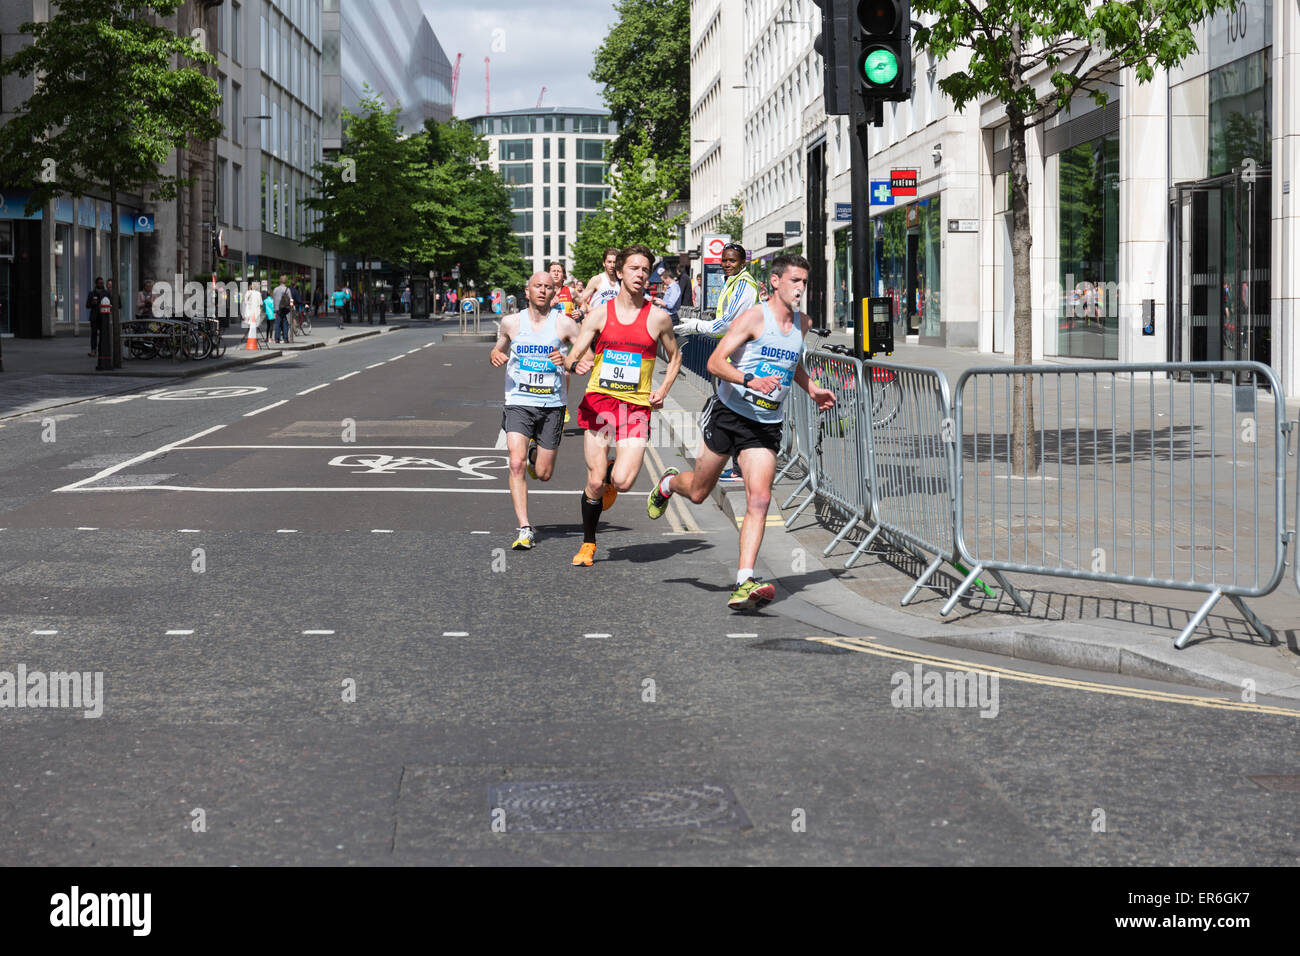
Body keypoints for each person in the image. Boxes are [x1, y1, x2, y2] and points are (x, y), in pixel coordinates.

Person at [647, 253, 835, 609]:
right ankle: (669, 483)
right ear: (776, 282)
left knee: (760, 498)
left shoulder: (803, 324)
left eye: (805, 283)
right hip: (729, 414)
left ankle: (744, 580)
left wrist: (811, 388)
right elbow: (715, 362)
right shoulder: (754, 317)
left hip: (765, 425)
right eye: (795, 281)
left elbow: (790, 362)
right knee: (700, 492)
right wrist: (749, 378)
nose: (800, 288)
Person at [560, 244, 682, 567]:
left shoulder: (658, 318)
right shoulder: (600, 314)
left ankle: (615, 471)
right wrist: (574, 365)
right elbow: (574, 354)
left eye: (645, 269)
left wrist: (665, 389)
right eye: (634, 268)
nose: (641, 274)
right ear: (620, 271)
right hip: (599, 403)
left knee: (624, 482)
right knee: (595, 481)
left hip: (635, 408)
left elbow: (675, 357)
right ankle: (588, 543)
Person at [489, 271, 590, 551]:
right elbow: (498, 349)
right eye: (538, 286)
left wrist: (567, 359)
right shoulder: (511, 322)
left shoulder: (565, 325)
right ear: (527, 291)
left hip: (552, 405)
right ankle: (524, 528)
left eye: (548, 287)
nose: (543, 291)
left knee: (544, 473)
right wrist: (496, 354)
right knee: (516, 463)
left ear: (554, 293)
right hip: (518, 401)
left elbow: (589, 357)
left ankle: (536, 452)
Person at [675, 242, 762, 481]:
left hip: (745, 360)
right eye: (723, 260)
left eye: (732, 260)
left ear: (743, 262)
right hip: (736, 358)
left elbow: (724, 324)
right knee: (736, 414)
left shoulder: (744, 285)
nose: (726, 264)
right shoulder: (733, 281)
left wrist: (694, 326)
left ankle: (737, 468)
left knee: (722, 414)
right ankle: (739, 467)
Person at [578, 248, 621, 312]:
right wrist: (596, 311)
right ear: (604, 263)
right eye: (609, 262)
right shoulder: (597, 280)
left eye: (614, 262)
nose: (612, 265)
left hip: (614, 319)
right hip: (598, 320)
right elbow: (581, 302)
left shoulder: (621, 281)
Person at [86, 277, 106, 357]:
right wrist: (92, 303)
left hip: (103, 317)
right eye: (100, 283)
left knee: (103, 334)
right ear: (96, 284)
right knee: (94, 334)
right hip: (94, 317)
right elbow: (87, 305)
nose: (102, 284)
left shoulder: (105, 293)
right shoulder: (92, 293)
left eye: (102, 283)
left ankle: (101, 350)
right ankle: (93, 350)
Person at [272, 274, 292, 343]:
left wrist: (274, 308)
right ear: (285, 281)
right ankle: (285, 338)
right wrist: (292, 306)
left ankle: (277, 338)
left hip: (277, 309)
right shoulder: (287, 289)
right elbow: (290, 299)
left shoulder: (275, 289)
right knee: (285, 322)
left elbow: (273, 299)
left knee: (277, 323)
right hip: (285, 308)